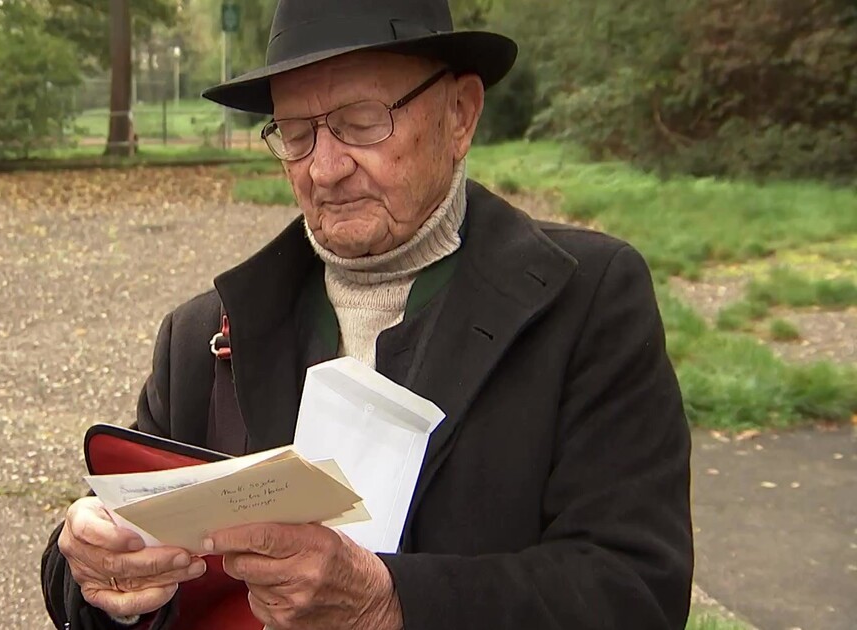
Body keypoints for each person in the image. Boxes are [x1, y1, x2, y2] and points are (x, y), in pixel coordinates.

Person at [41, 0, 693, 628]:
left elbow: (635, 590)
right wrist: (97, 573)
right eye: (295, 134)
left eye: (361, 121)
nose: (324, 169)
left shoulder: (586, 304)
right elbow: (101, 567)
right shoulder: (202, 336)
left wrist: (394, 603)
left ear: (460, 114)